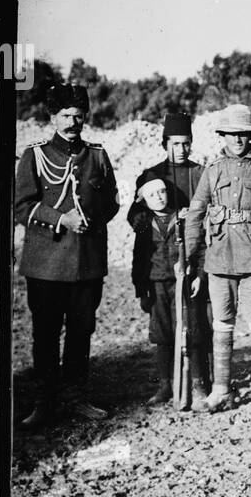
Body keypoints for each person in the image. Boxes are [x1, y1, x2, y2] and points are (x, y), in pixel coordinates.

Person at [15, 82, 119, 429]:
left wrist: (92, 219)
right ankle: (45, 402)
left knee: (81, 330)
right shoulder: (35, 155)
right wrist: (61, 218)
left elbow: (111, 202)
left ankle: (76, 398)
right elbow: (22, 206)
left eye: (78, 115)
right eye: (65, 115)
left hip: (86, 264)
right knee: (45, 333)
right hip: (46, 264)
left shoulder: (98, 155)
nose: (72, 122)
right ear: (52, 117)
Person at [184, 104, 251, 415]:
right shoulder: (212, 172)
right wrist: (189, 258)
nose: (238, 139)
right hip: (219, 261)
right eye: (232, 134)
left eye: (245, 134)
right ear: (223, 134)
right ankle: (221, 388)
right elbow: (195, 216)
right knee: (221, 325)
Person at [131, 178, 211, 409]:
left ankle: (197, 385)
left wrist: (199, 276)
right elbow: (139, 260)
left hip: (183, 284)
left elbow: (201, 249)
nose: (159, 197)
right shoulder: (144, 224)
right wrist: (141, 291)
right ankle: (165, 384)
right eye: (152, 195)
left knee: (191, 330)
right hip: (157, 286)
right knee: (162, 333)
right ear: (144, 201)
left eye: (162, 192)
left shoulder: (184, 219)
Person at [127, 111, 204, 229]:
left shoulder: (202, 174)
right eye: (176, 144)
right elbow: (135, 216)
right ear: (164, 145)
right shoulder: (150, 175)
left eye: (186, 144)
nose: (181, 150)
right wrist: (171, 218)